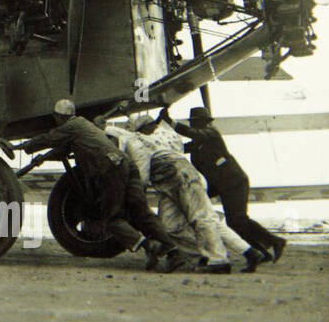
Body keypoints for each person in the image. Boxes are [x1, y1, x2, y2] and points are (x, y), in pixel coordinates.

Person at [15, 99, 184, 270]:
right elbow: (65, 149)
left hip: (110, 169)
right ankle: (173, 252)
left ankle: (149, 247)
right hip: (127, 165)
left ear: (57, 116)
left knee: (111, 218)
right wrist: (42, 158)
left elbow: (48, 139)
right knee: (141, 212)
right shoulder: (83, 126)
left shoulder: (70, 127)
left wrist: (21, 146)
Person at [108, 117, 267, 274]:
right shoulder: (165, 137)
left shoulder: (135, 142)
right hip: (178, 180)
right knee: (172, 225)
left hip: (179, 179)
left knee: (202, 218)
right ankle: (241, 252)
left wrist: (133, 195)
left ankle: (219, 261)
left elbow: (142, 174)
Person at [166, 107, 287, 262]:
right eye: (194, 123)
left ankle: (274, 242)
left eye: (198, 122)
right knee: (234, 222)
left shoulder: (211, 134)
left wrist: (171, 122)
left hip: (234, 182)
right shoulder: (198, 143)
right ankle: (261, 252)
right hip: (221, 185)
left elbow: (192, 134)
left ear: (206, 123)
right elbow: (178, 148)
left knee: (238, 220)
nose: (196, 125)